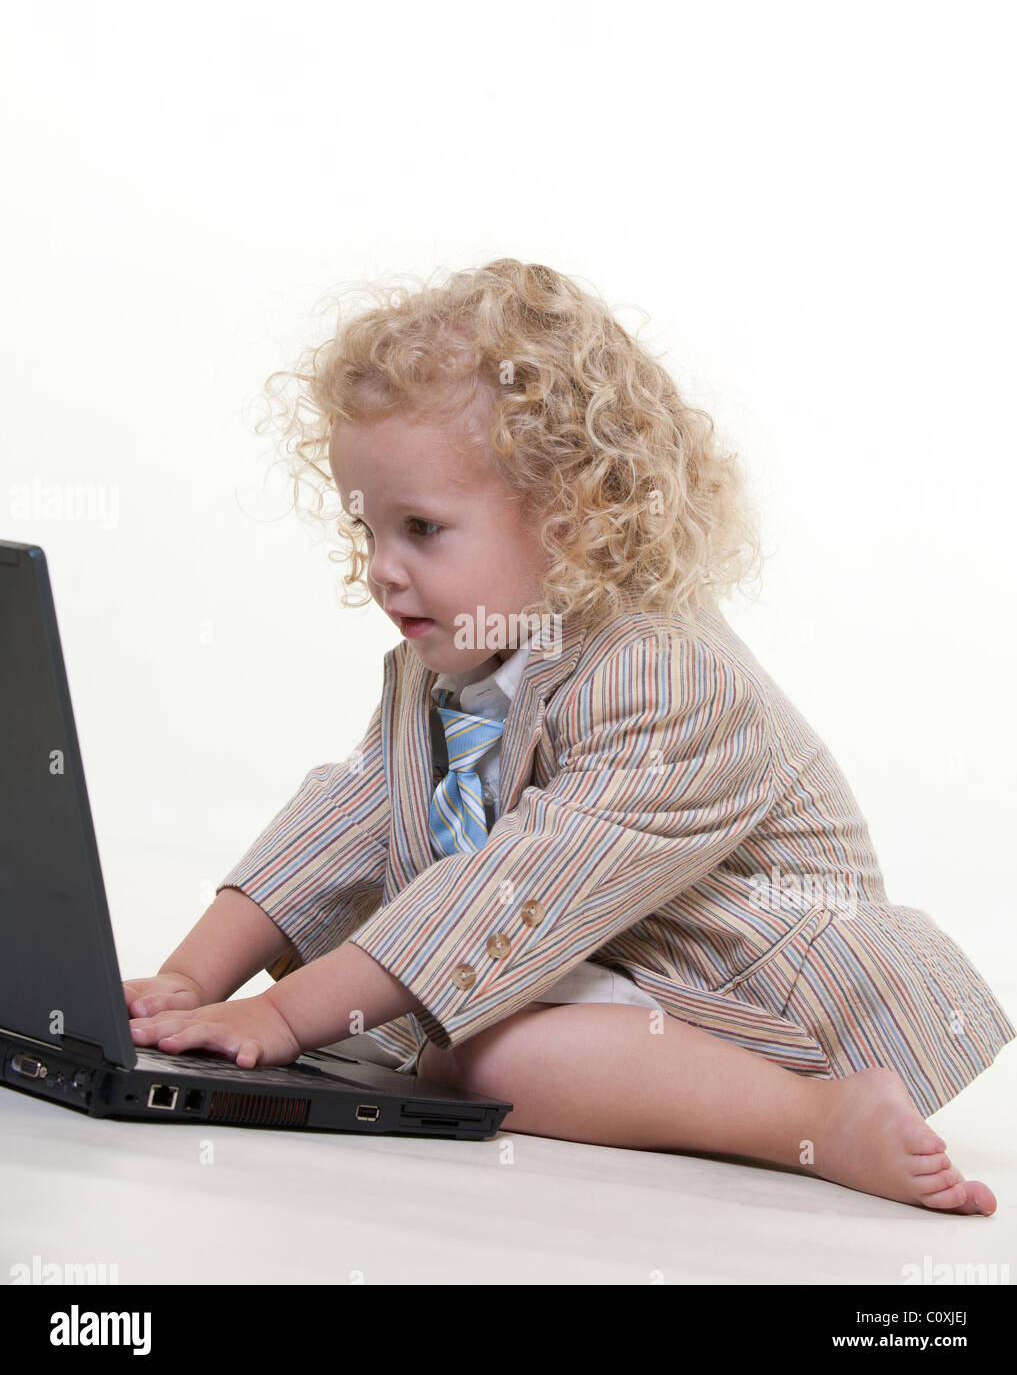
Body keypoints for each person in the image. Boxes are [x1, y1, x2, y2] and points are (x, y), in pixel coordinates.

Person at [123, 258, 1014, 1215]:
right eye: (366, 530)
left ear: (572, 517)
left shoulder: (669, 677)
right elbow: (355, 811)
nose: (381, 570)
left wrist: (282, 1013)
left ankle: (818, 1118)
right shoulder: (458, 655)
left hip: (749, 991)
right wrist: (191, 977)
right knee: (451, 1040)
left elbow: (518, 887)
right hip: (586, 964)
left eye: (421, 528)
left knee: (489, 1057)